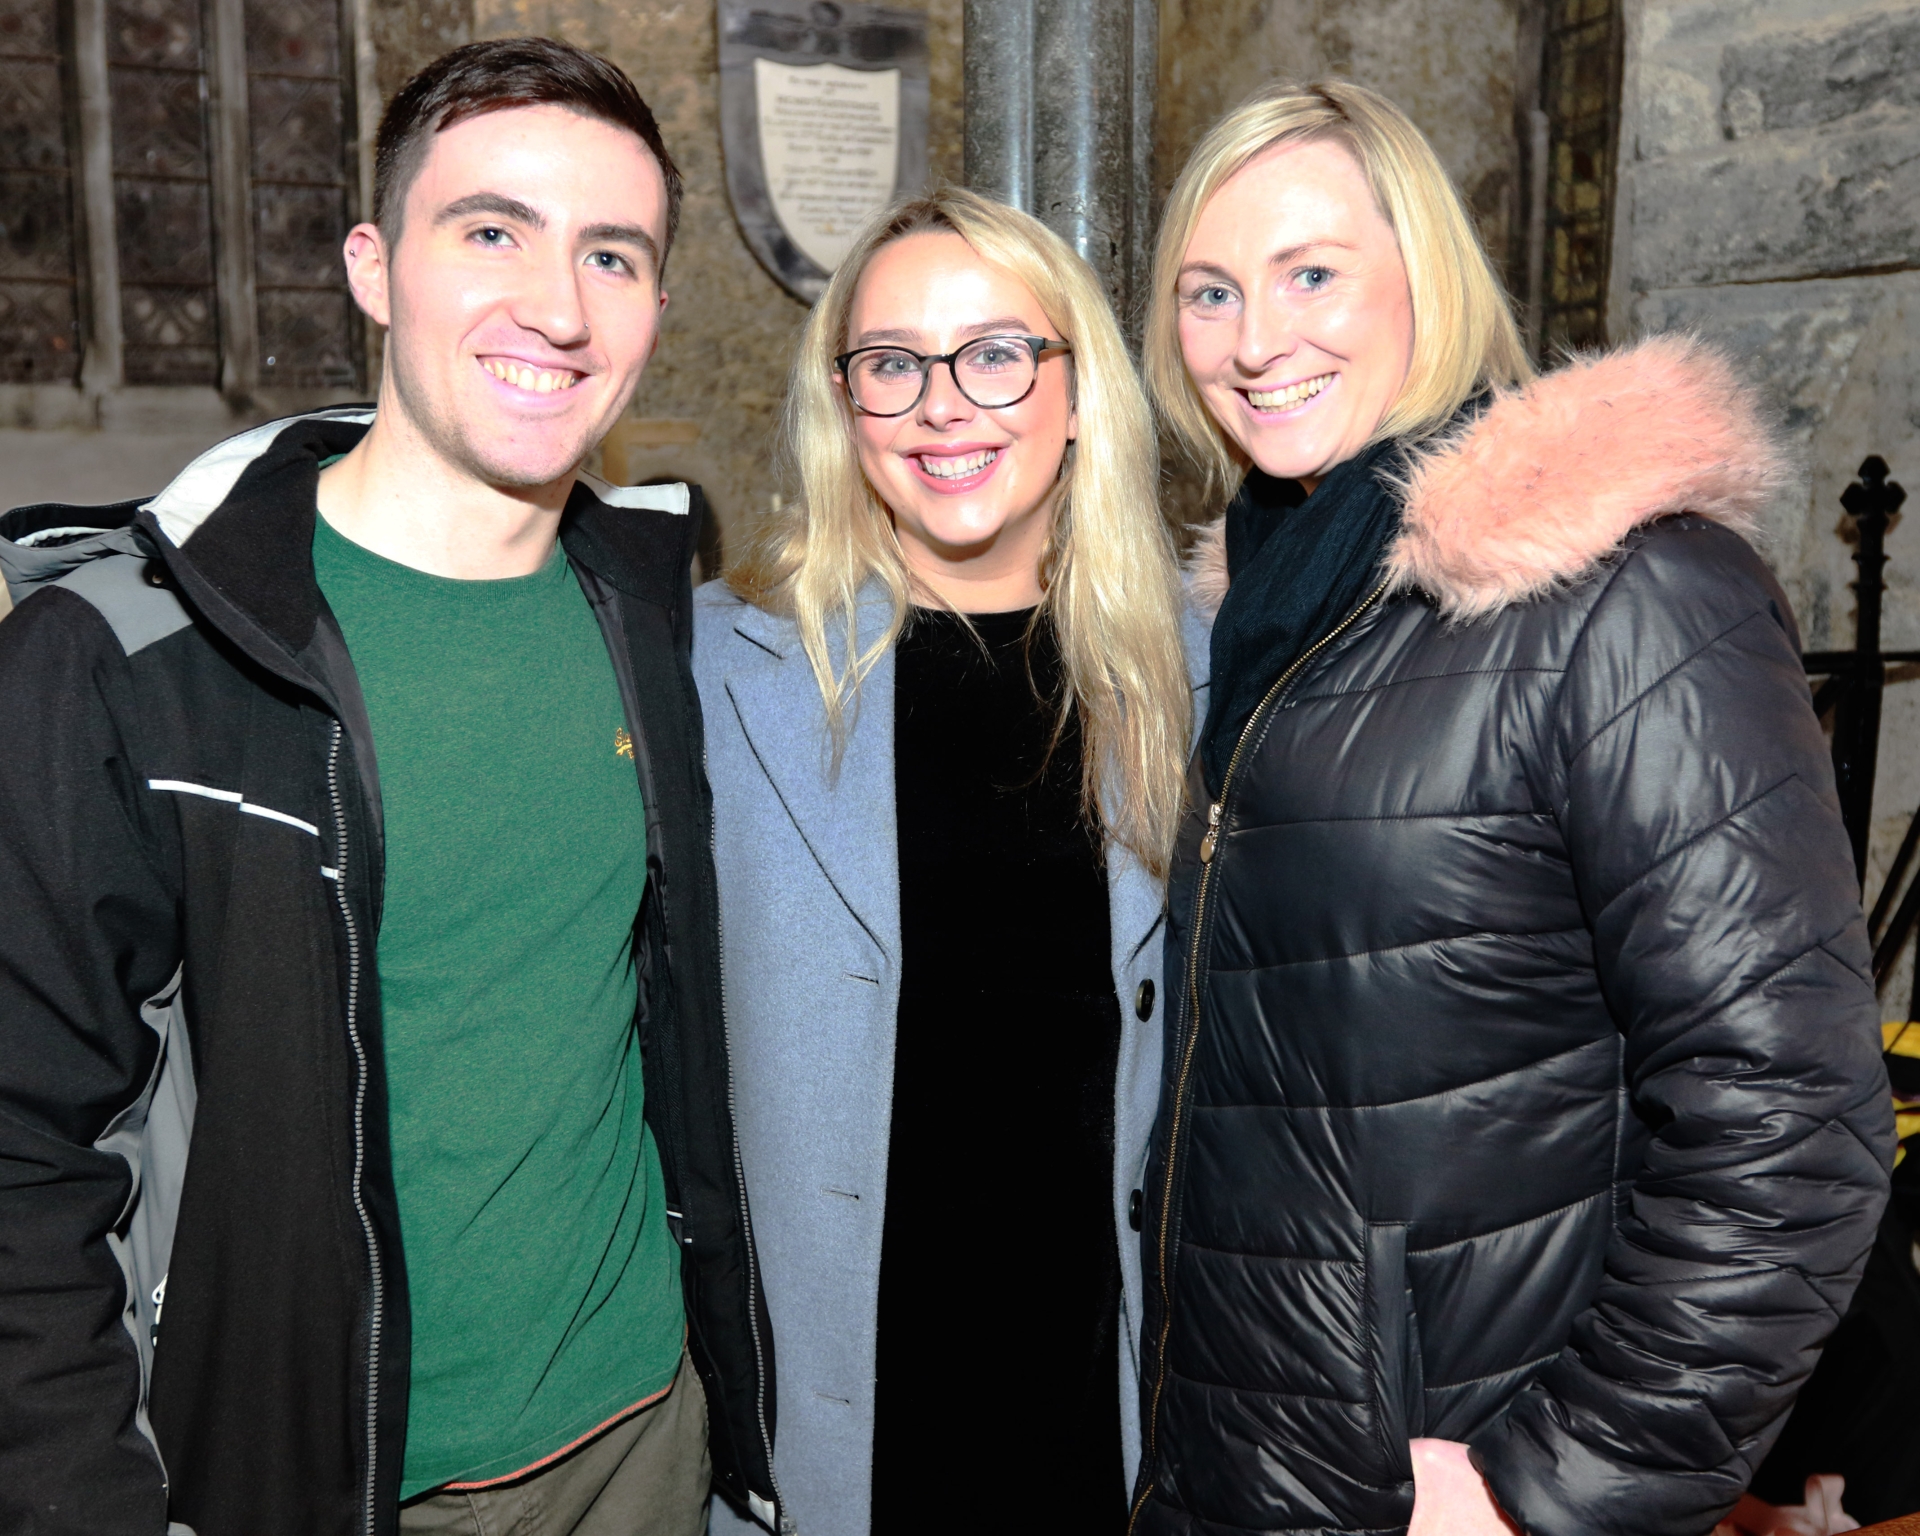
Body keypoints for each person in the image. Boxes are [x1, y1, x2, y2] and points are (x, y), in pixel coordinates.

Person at [0, 39, 782, 1536]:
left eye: (612, 256)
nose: (556, 307)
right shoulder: (123, 661)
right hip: (329, 1479)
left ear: (658, 311)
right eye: (491, 230)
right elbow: (24, 1155)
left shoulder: (650, 613)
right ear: (372, 264)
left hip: (647, 1443)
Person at [1128, 79, 1894, 1536]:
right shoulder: (1273, 614)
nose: (1252, 337)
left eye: (1311, 274)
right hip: (1235, 1465)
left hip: (1441, 1488)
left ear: (1427, 273)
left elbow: (1793, 1118)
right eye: (1208, 290)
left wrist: (1546, 1487)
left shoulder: (1626, 595)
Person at [694, 186, 1200, 1536]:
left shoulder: (1196, 680)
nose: (941, 403)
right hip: (838, 1415)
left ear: (1079, 388)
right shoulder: (716, 669)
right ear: (845, 402)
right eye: (893, 363)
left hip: (1106, 1402)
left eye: (993, 353)